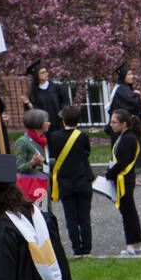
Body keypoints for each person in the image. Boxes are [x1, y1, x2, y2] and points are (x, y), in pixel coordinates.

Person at [47, 104, 94, 256]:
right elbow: (87, 152)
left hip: (65, 183)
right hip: (82, 180)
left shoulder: (53, 137)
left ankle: (76, 248)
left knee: (70, 218)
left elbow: (53, 155)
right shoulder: (82, 136)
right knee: (85, 217)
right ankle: (87, 248)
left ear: (62, 119)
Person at [105, 109, 141, 256]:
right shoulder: (125, 136)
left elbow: (122, 162)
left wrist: (109, 174)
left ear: (124, 123)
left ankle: (131, 246)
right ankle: (136, 245)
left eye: (114, 122)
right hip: (124, 179)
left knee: (128, 214)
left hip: (124, 180)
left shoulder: (128, 138)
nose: (111, 125)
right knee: (130, 213)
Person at [107, 62, 141, 168]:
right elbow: (132, 103)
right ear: (123, 76)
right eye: (129, 74)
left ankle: (131, 173)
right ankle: (128, 173)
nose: (131, 76)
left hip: (126, 126)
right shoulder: (121, 89)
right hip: (122, 127)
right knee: (126, 151)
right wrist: (136, 95)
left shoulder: (123, 88)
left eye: (132, 74)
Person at [13, 109, 51, 206]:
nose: (49, 123)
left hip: (43, 183)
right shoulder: (23, 142)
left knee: (46, 215)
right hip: (32, 187)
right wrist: (32, 163)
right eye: (46, 121)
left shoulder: (42, 140)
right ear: (38, 123)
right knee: (38, 215)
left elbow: (43, 162)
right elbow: (18, 168)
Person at [23, 61, 69, 130]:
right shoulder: (32, 93)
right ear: (36, 76)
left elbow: (65, 101)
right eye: (42, 73)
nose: (46, 74)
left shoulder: (56, 88)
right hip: (43, 127)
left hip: (58, 124)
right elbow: (31, 111)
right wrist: (27, 103)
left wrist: (62, 112)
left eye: (46, 72)